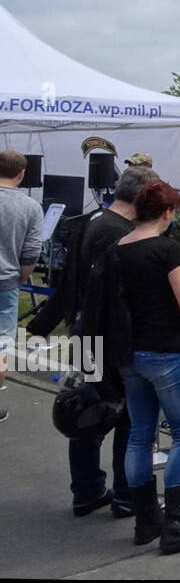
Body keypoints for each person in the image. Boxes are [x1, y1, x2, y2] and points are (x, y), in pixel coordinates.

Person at [113, 179, 180, 554]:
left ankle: (146, 519)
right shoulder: (168, 250)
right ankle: (177, 522)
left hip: (130, 354)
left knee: (140, 434)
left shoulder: (119, 248)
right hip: (166, 350)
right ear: (169, 212)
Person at [47, 166, 158, 516]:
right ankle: (126, 494)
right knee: (126, 416)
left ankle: (88, 488)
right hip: (109, 335)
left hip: (85, 328)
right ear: (142, 196)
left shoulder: (91, 220)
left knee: (87, 407)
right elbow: (120, 293)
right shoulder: (120, 234)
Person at [0, 151, 45, 422]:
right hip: (7, 280)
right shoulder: (30, 207)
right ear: (21, 174)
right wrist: (21, 276)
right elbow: (31, 252)